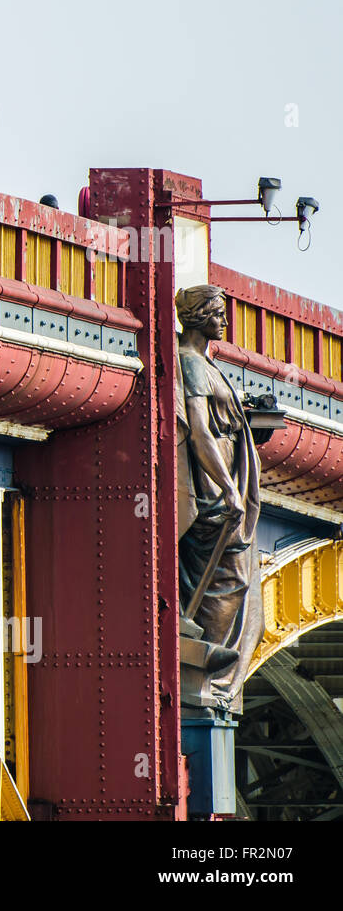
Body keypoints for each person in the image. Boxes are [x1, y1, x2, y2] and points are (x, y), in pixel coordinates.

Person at [175, 284, 262, 710]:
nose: (225, 321)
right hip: (213, 487)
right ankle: (206, 665)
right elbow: (199, 430)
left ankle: (213, 665)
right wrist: (229, 488)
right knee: (229, 578)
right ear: (199, 317)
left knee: (235, 578)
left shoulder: (206, 364)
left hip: (224, 478)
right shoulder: (190, 363)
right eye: (218, 314)